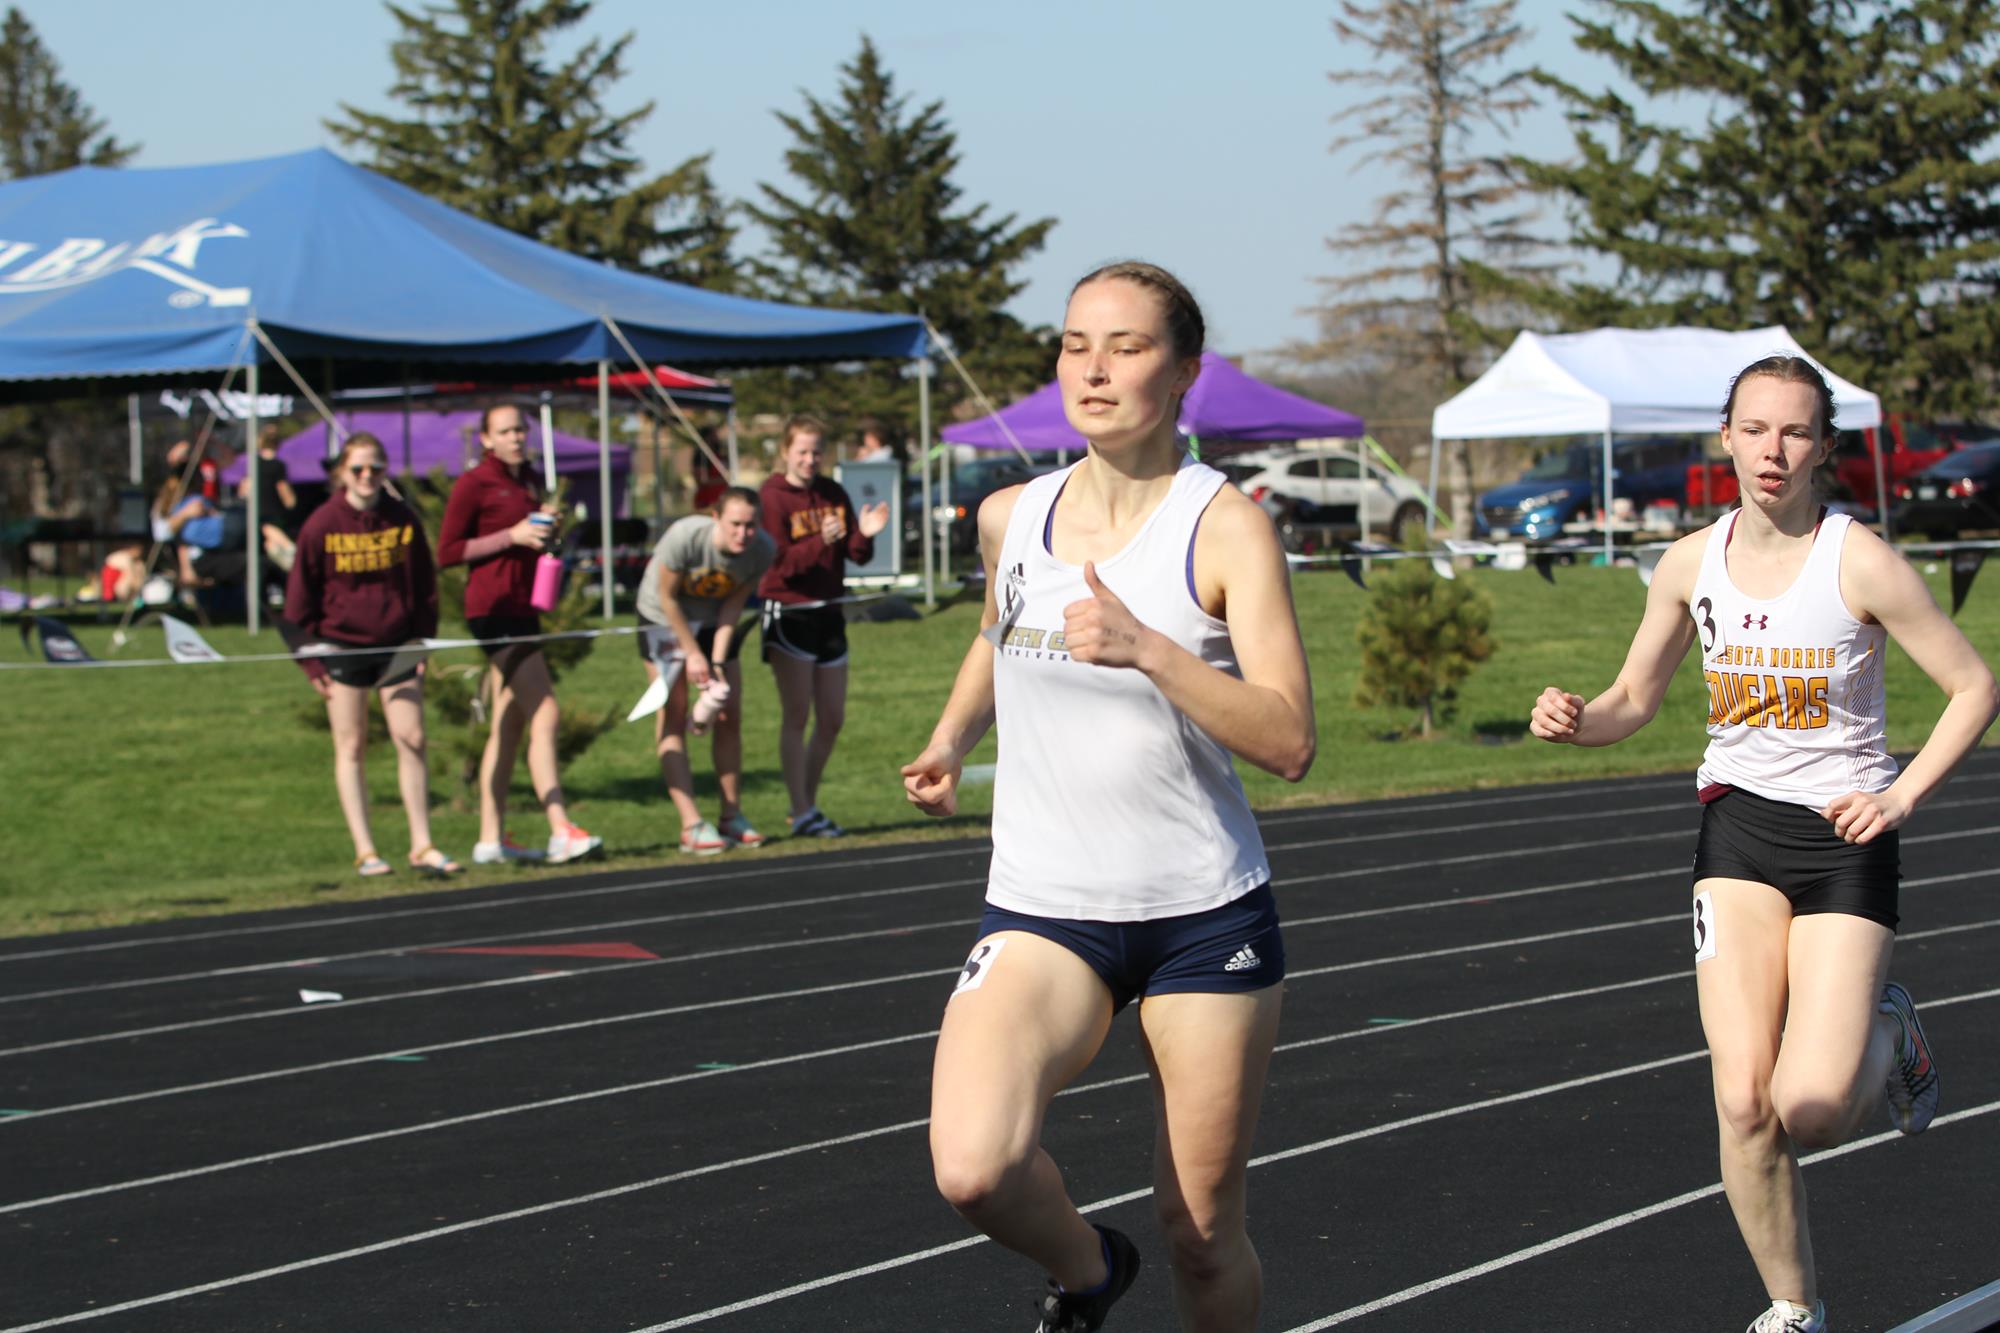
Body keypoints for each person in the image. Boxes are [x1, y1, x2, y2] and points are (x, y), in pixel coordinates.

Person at [1529, 356, 1998, 1333]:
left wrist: (1899, 794)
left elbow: (1972, 686)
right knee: (1743, 1102)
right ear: (1725, 438)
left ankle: (1890, 1029)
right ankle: (1792, 1306)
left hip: (1840, 841)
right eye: (1753, 429)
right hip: (1736, 833)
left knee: (1812, 1106)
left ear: (1824, 446)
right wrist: (1578, 719)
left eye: (1793, 431)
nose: (1771, 450)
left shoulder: (1856, 558)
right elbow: (1632, 700)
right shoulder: (1687, 561)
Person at [902, 261, 1316, 1333]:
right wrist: (949, 738)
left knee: (1200, 1227)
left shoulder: (1224, 528)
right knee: (973, 1166)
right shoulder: (1010, 516)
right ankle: (1089, 1272)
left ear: (1181, 373)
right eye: (1075, 343)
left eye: (1125, 346)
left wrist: (1150, 652)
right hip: (1044, 905)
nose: (1092, 367)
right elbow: (996, 631)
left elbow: (1289, 739)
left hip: (1200, 916)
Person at [437, 402, 602, 867]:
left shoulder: (527, 481)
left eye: (520, 431)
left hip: (524, 607)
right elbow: (447, 551)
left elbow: (529, 542)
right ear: (486, 438)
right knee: (545, 711)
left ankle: (490, 839)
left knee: (508, 725)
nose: (515, 439)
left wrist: (546, 534)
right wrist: (510, 536)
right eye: (505, 431)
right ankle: (559, 829)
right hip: (492, 611)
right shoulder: (474, 484)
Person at [286, 433, 457, 878]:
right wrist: (310, 662)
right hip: (341, 645)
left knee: (412, 736)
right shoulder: (321, 524)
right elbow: (297, 604)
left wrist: (421, 641)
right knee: (351, 744)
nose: (367, 477)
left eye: (376, 468)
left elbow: (424, 587)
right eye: (358, 469)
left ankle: (422, 843)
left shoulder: (400, 519)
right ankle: (365, 849)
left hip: (397, 644)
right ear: (341, 471)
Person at [757, 414, 890, 838]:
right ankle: (800, 810)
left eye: (817, 451)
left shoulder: (832, 492)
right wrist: (820, 541)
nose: (810, 459)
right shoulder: (772, 498)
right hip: (790, 612)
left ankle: (807, 806)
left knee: (831, 717)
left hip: (830, 613)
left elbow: (856, 552)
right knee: (797, 714)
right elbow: (775, 566)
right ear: (785, 452)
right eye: (802, 452)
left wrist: (866, 534)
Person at [636, 486, 775, 853]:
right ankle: (691, 823)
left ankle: (732, 814)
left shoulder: (762, 549)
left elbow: (732, 606)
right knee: (675, 712)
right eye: (734, 524)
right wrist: (691, 653)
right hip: (662, 618)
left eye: (750, 524)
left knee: (728, 711)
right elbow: (667, 597)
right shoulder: (686, 537)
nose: (743, 533)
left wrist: (714, 661)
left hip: (713, 621)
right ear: (716, 517)